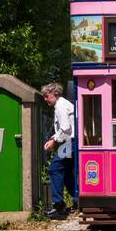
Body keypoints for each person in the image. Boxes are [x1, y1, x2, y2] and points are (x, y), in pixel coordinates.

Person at [41, 82, 75, 219]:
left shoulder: (60, 105)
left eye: (46, 96)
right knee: (66, 172)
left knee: (55, 168)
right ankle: (77, 199)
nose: (45, 99)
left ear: (55, 94)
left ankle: (58, 205)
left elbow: (66, 127)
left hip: (68, 142)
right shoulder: (63, 104)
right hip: (70, 142)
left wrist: (54, 141)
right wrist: (55, 137)